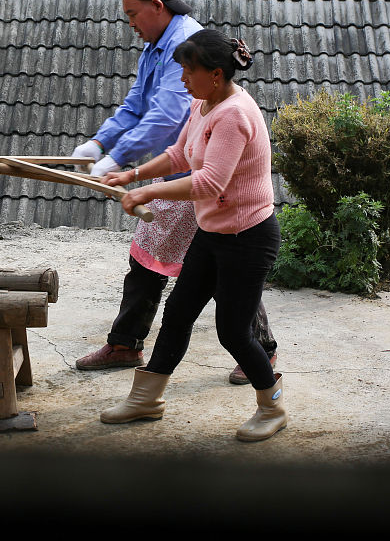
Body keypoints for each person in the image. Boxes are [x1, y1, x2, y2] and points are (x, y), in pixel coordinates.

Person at [70, 0, 278, 384]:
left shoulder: (216, 88)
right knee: (168, 283)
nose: (130, 24)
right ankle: (136, 367)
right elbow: (165, 135)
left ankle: (264, 362)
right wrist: (104, 147)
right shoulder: (167, 58)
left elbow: (173, 128)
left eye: (133, 14)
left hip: (219, 204)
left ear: (157, 7)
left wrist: (129, 173)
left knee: (228, 302)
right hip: (196, 192)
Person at [98, 29, 286, 442]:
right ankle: (146, 399)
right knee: (178, 312)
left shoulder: (234, 114)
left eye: (188, 70)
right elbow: (180, 155)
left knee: (234, 330)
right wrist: (133, 174)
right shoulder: (203, 104)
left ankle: (271, 407)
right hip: (213, 232)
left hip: (249, 238)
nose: (182, 79)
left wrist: (146, 191)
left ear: (215, 74)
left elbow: (210, 182)